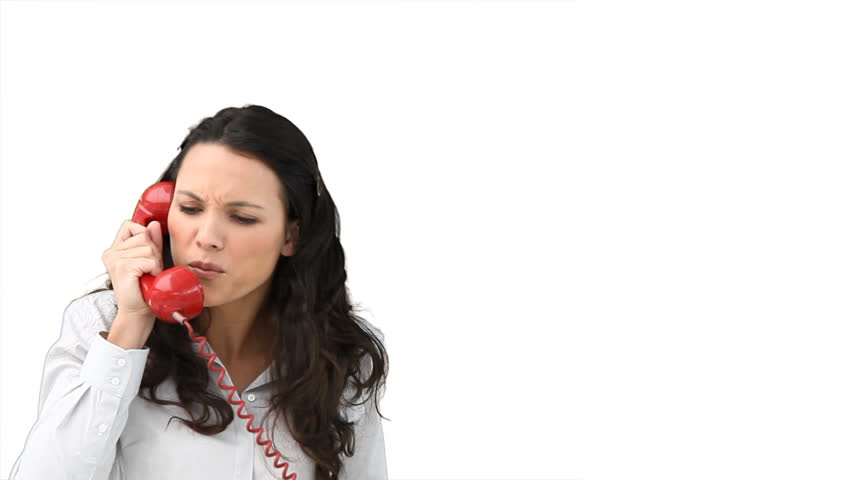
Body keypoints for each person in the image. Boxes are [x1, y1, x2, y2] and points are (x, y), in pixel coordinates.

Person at [8, 105, 390, 480]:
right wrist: (130, 329)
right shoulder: (101, 325)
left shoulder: (341, 354)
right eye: (189, 208)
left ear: (292, 235)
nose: (206, 238)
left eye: (242, 217)